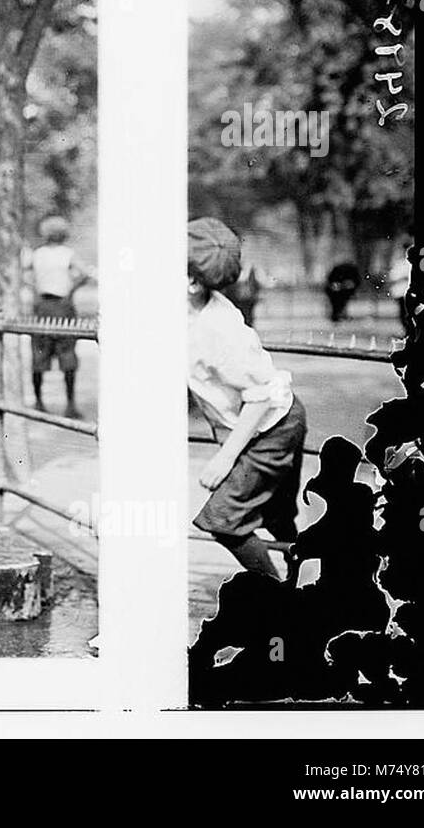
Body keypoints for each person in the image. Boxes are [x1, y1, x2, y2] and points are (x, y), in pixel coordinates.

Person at [187, 217, 307, 580]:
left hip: (272, 426)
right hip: (266, 425)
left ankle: (278, 601)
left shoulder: (220, 330)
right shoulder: (185, 311)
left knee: (226, 522)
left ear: (191, 282)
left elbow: (260, 396)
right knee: (275, 514)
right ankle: (297, 577)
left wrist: (225, 459)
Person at [27, 216, 93, 418]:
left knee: (40, 352)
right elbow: (85, 274)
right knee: (67, 353)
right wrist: (71, 290)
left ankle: (39, 402)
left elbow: (25, 274)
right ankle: (70, 404)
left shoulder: (38, 254)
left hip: (44, 305)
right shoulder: (68, 254)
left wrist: (35, 289)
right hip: (62, 305)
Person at [388, 234, 412, 333]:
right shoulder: (398, 262)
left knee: (409, 313)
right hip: (399, 292)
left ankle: (410, 331)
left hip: (408, 291)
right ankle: (407, 331)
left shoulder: (410, 262)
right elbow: (392, 276)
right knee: (403, 313)